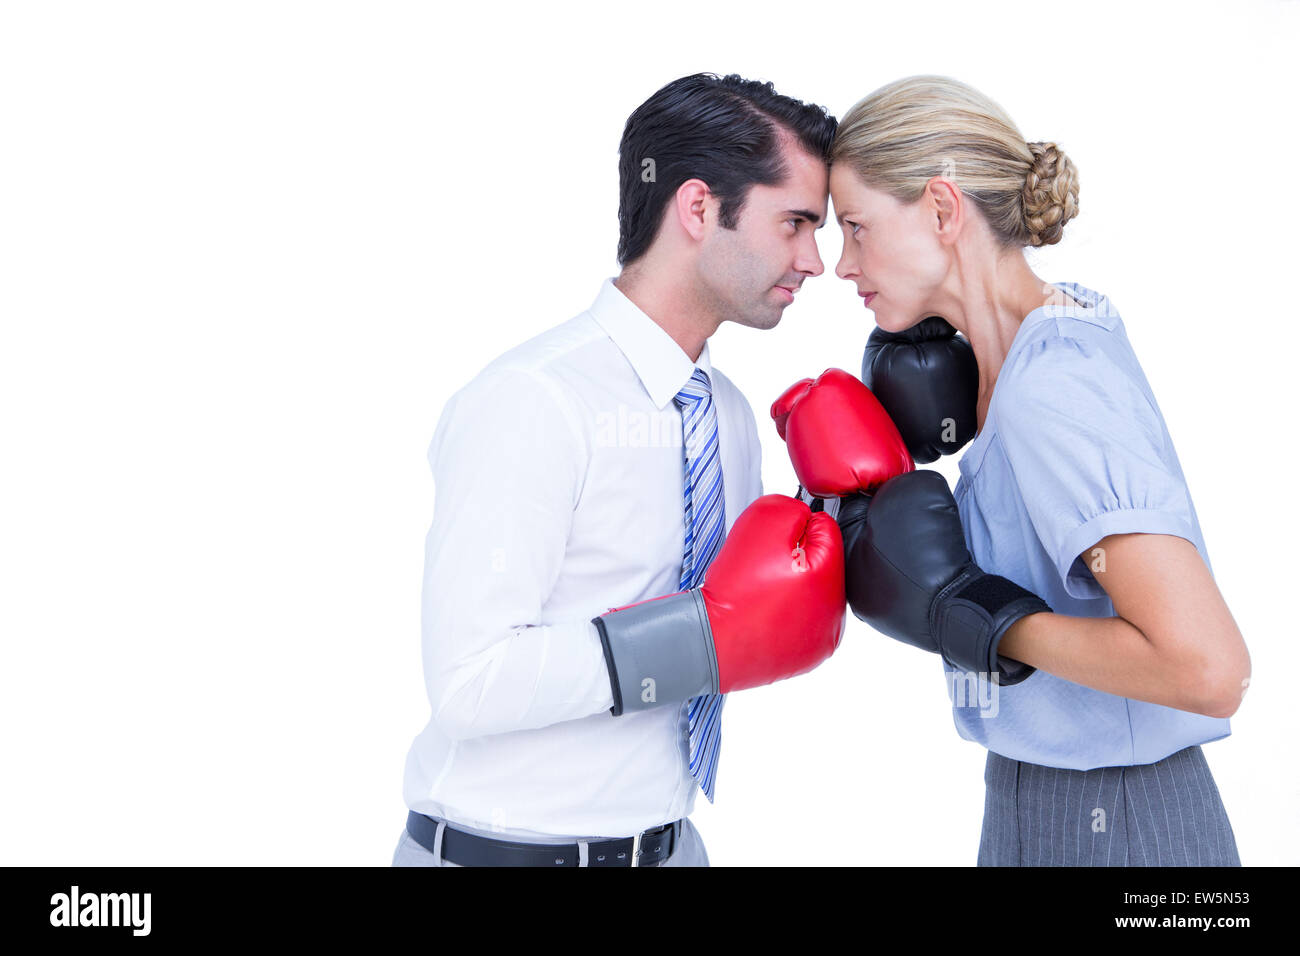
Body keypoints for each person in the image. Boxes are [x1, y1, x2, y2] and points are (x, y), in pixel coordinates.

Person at [774, 75, 1249, 866]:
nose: (841, 263)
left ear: (942, 209)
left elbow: (1208, 668)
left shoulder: (1052, 387)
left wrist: (978, 616)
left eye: (856, 228)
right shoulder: (1025, 355)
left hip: (1121, 817)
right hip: (1041, 794)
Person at [391, 73, 847, 867]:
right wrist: (696, 639)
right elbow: (468, 682)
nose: (814, 259)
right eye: (796, 223)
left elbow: (758, 614)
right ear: (699, 208)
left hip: (673, 848)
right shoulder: (534, 401)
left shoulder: (728, 417)